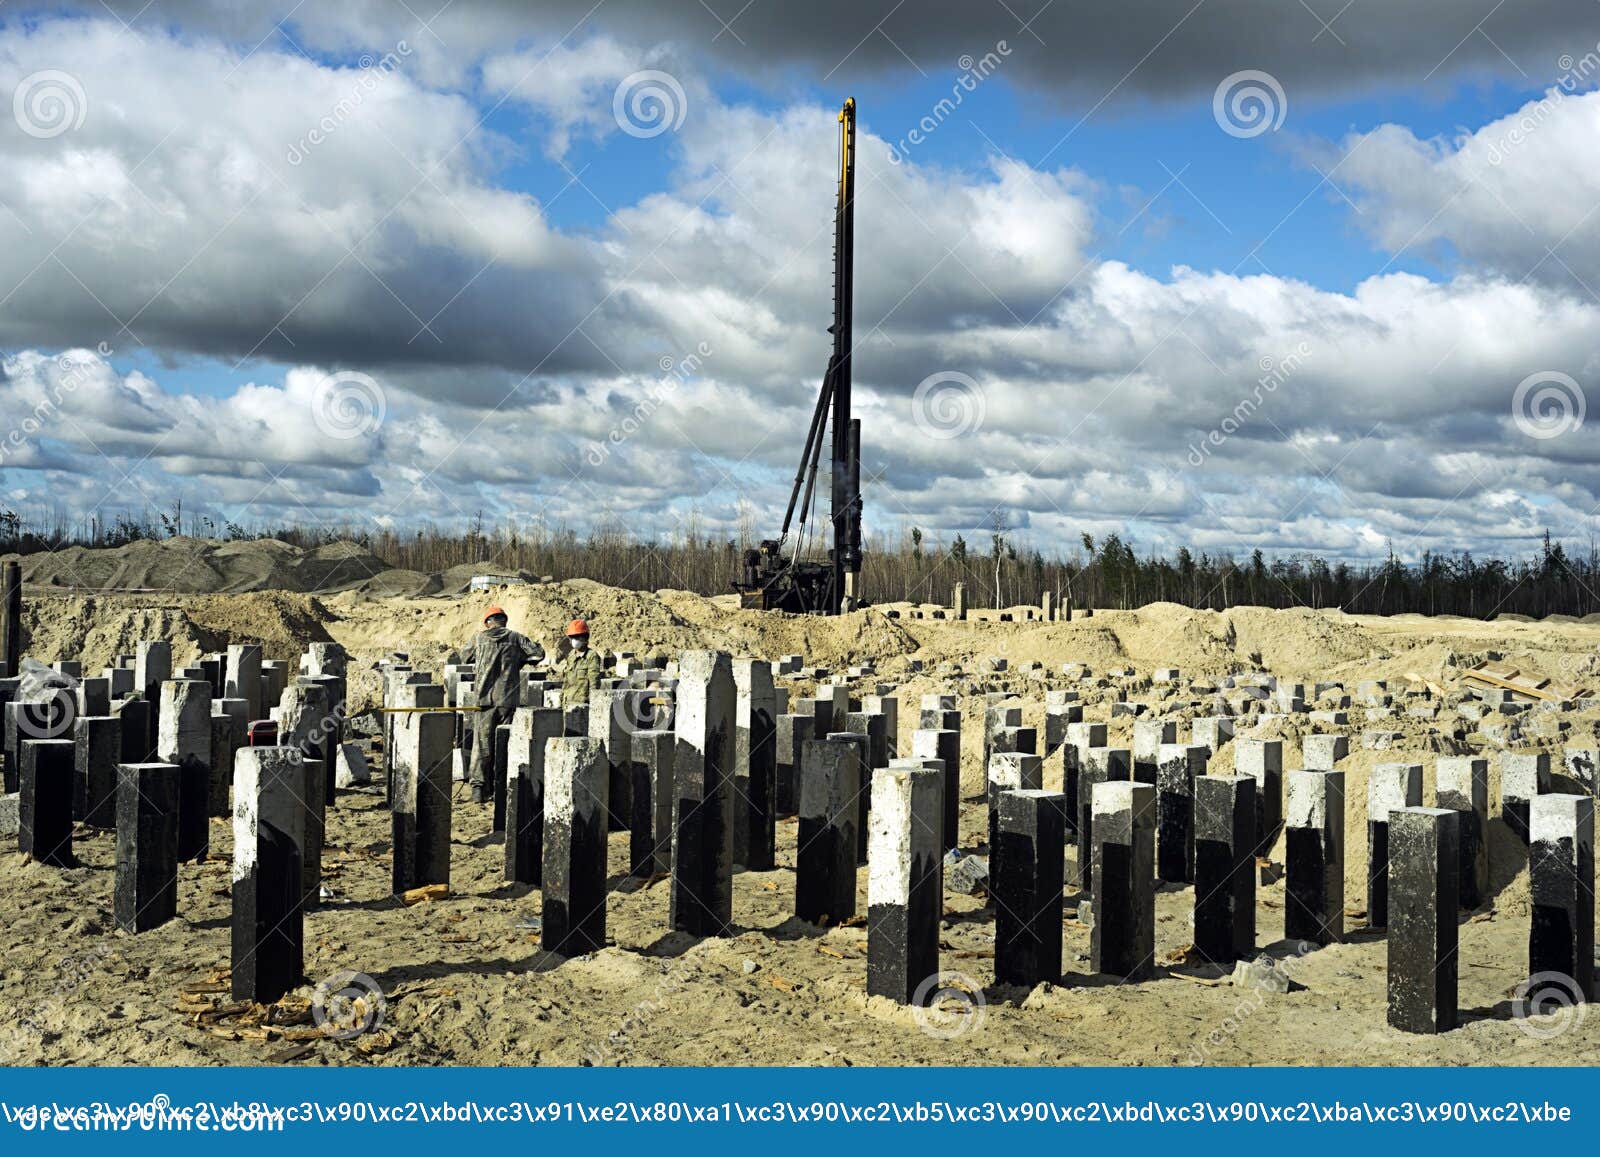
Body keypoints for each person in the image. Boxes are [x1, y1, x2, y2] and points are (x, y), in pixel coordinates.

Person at [462, 605, 544, 804]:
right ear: (504, 620)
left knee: (481, 746)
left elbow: (464, 656)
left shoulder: (478, 639)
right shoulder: (515, 638)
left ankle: (479, 790)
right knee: (504, 743)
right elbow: (538, 654)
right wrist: (520, 660)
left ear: (488, 622)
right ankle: (502, 788)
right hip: (507, 699)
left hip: (484, 701)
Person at [559, 618, 603, 710]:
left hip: (581, 707)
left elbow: (594, 684)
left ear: (585, 638)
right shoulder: (571, 656)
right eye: (572, 637)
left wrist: (592, 705)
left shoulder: (591, 656)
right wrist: (561, 701)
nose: (574, 640)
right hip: (567, 704)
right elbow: (566, 682)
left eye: (577, 637)